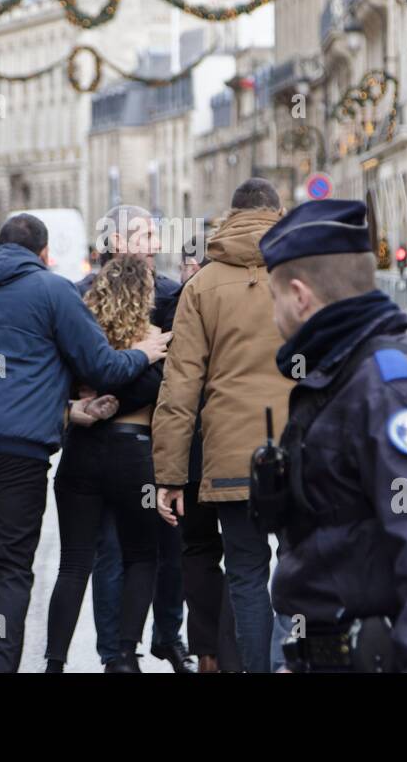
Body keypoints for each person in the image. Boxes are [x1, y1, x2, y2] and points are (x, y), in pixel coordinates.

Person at [258, 198, 407, 673]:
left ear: (300, 297)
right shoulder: (343, 373)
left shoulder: (391, 388)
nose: (272, 314)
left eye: (273, 297)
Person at [0, 213, 170, 673]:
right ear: (44, 254)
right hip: (16, 449)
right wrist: (144, 352)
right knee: (11, 563)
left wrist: (67, 411)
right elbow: (102, 367)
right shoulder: (52, 290)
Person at [153, 178, 293, 673]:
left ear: (229, 216)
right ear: (279, 212)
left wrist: (170, 476)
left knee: (247, 575)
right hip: (300, 456)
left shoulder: (201, 286)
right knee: (301, 570)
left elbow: (180, 388)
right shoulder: (304, 276)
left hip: (233, 462)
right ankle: (293, 664)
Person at [81, 204, 194, 673]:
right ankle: (115, 652)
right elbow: (77, 368)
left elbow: (176, 373)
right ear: (114, 241)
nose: (153, 243)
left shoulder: (169, 294)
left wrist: (109, 395)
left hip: (156, 436)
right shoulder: (81, 296)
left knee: (171, 548)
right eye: (142, 234)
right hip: (104, 445)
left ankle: (168, 636)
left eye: (155, 233)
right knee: (110, 551)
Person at [44, 255, 167, 673]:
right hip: (135, 456)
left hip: (81, 453)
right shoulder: (154, 339)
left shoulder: (82, 338)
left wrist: (94, 400)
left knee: (75, 562)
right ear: (145, 295)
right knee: (140, 557)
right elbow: (163, 393)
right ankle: (123, 656)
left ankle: (55, 661)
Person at [174, 237, 241, 673]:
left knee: (198, 549)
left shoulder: (187, 299)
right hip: (240, 447)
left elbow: (176, 385)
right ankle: (234, 653)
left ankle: (208, 654)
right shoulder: (260, 292)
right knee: (244, 557)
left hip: (197, 445)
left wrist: (167, 468)